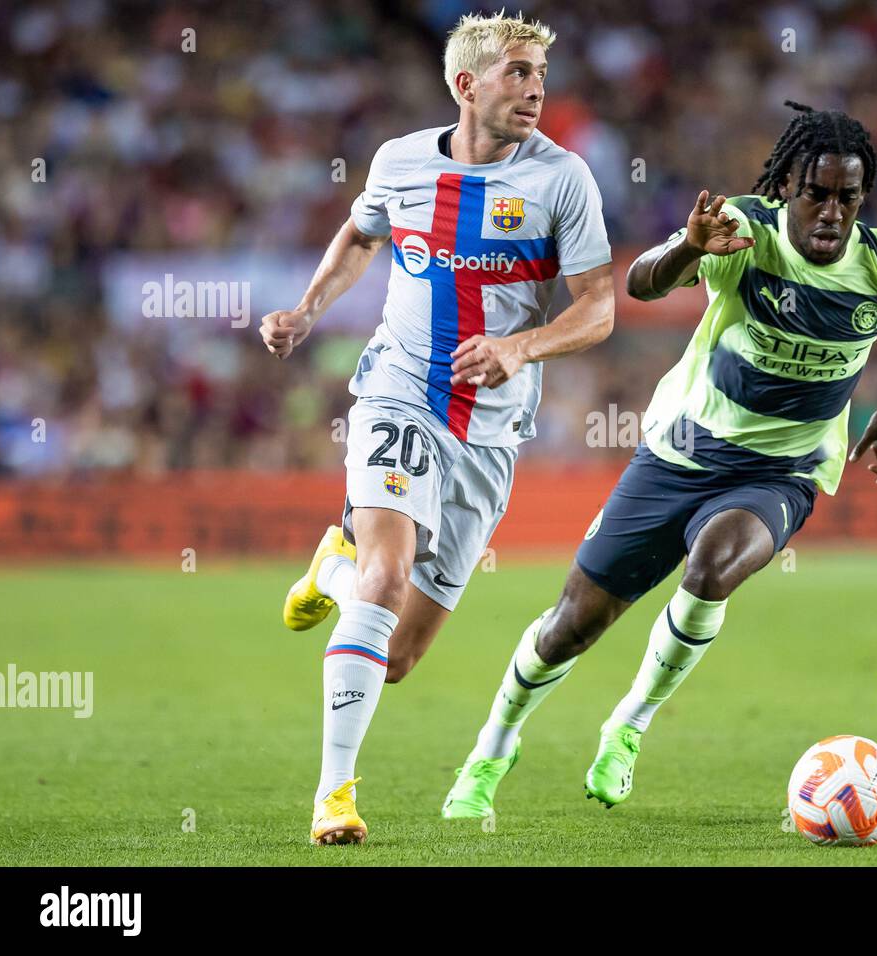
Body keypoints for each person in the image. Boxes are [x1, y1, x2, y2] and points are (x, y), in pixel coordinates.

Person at [442, 101, 877, 817]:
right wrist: (689, 248)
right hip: (679, 452)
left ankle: (627, 726)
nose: (832, 213)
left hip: (780, 472)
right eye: (818, 193)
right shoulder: (740, 232)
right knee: (572, 625)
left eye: (848, 197)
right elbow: (643, 285)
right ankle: (490, 751)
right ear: (787, 185)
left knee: (714, 567)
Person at [259, 11, 613, 844]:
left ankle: (331, 568)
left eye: (540, 76)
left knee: (401, 654)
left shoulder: (564, 180)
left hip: (490, 432)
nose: (535, 90)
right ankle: (334, 799)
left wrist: (520, 347)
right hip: (400, 392)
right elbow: (360, 231)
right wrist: (307, 310)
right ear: (467, 84)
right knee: (387, 576)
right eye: (518, 74)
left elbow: (599, 307)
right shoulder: (400, 161)